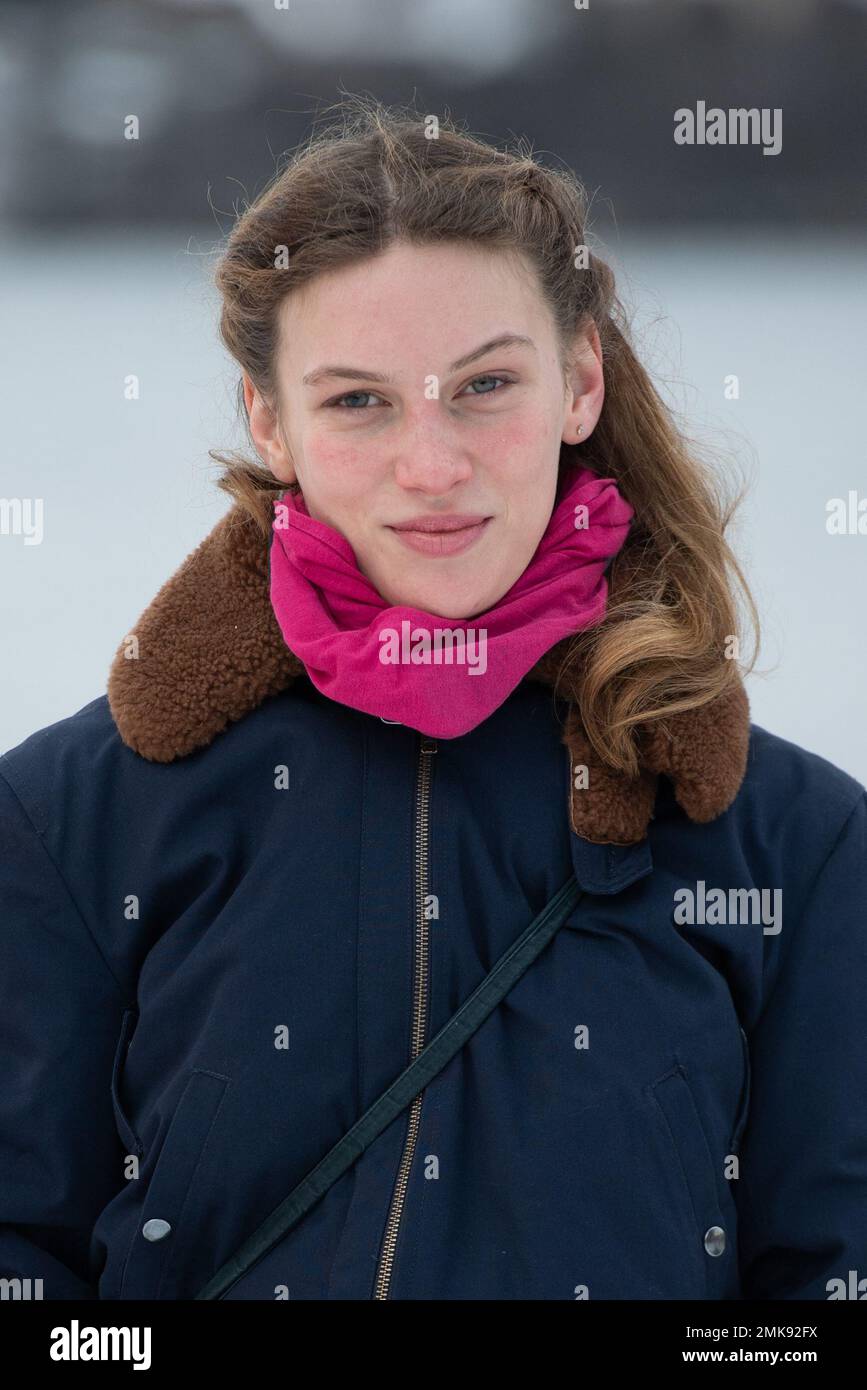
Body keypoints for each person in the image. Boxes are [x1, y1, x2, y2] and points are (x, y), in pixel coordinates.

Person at [1, 99, 865, 1302]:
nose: (434, 465)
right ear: (272, 420)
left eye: (485, 385)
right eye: (359, 399)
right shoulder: (66, 820)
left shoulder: (795, 843)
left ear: (578, 385)